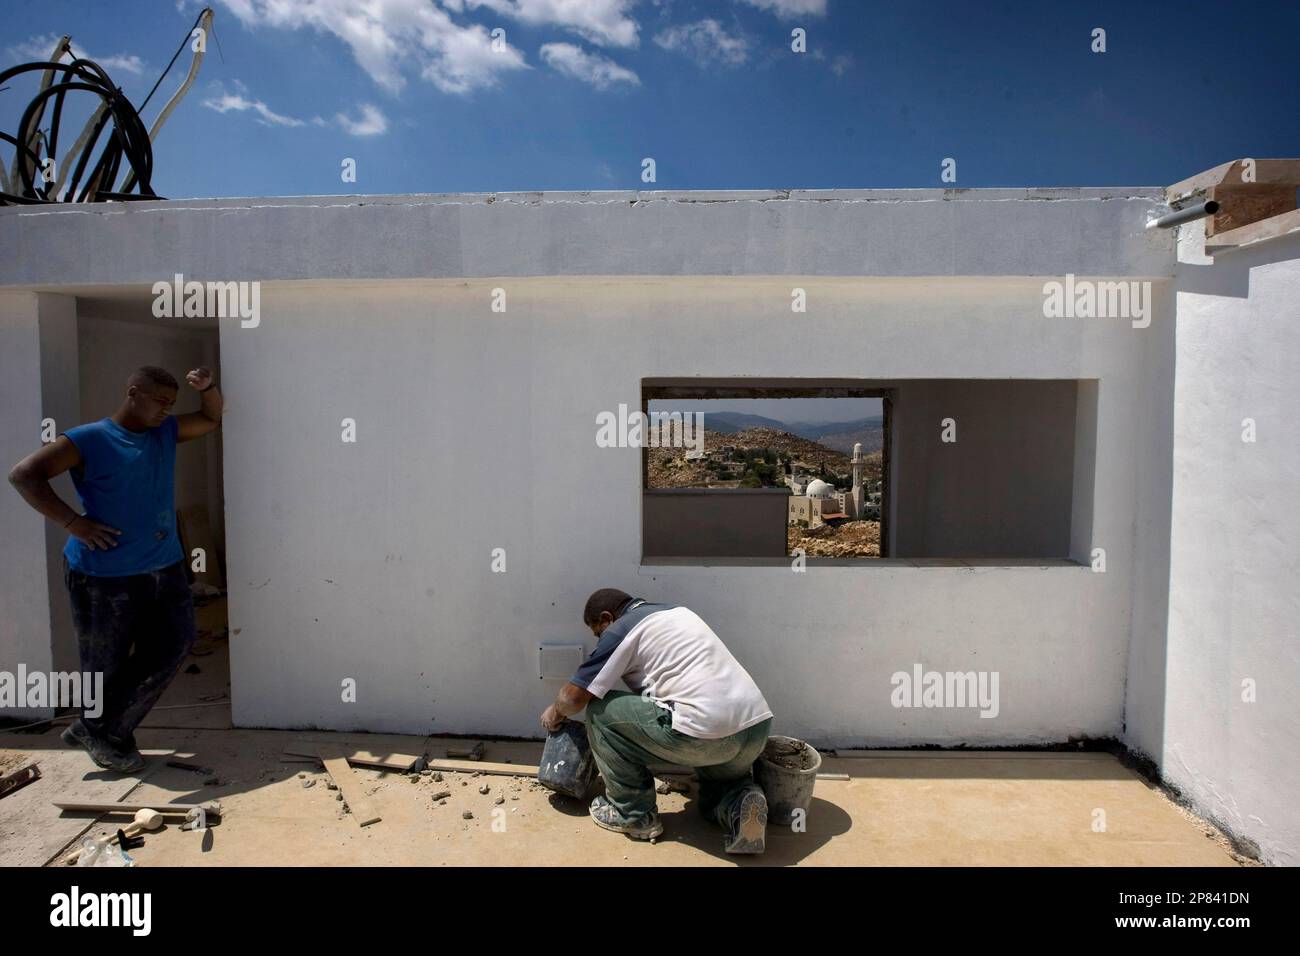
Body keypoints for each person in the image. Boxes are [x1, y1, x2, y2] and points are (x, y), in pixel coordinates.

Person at [8, 365, 223, 772]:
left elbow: (211, 418)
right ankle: (107, 734)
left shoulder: (165, 432)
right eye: (159, 401)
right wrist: (73, 522)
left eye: (171, 404)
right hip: (103, 576)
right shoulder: (90, 438)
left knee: (174, 644)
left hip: (166, 567)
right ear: (133, 393)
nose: (165, 410)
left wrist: (208, 388)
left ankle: (96, 727)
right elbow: (24, 475)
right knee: (104, 664)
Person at [541, 588, 775, 854]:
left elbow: (574, 699)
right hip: (755, 730)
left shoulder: (621, 629)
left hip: (704, 734)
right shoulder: (678, 612)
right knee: (713, 794)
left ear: (607, 618)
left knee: (599, 710)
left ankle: (634, 814)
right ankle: (738, 803)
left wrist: (554, 712)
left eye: (598, 632)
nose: (600, 640)